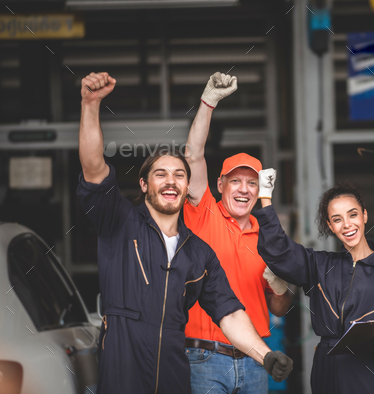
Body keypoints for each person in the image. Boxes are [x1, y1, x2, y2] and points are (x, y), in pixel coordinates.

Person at [77, 72, 292, 394]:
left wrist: (266, 355)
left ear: (185, 187)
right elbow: (94, 167)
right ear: (143, 184)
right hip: (126, 371)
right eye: (160, 173)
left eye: (179, 175)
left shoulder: (198, 253)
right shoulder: (119, 222)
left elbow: (229, 312)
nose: (171, 180)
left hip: (174, 374)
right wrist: (91, 104)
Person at [253, 175, 374, 394]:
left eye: (353, 215)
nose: (347, 224)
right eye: (337, 219)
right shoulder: (319, 265)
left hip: (367, 370)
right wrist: (265, 197)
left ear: (365, 215)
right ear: (330, 226)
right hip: (326, 368)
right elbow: (280, 252)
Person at [182, 72, 293, 394]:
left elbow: (280, 309)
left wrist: (281, 288)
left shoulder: (268, 234)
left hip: (256, 359)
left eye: (251, 182)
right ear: (220, 185)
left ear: (259, 190)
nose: (244, 189)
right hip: (202, 356)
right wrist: (208, 103)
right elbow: (193, 156)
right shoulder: (203, 213)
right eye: (235, 180)